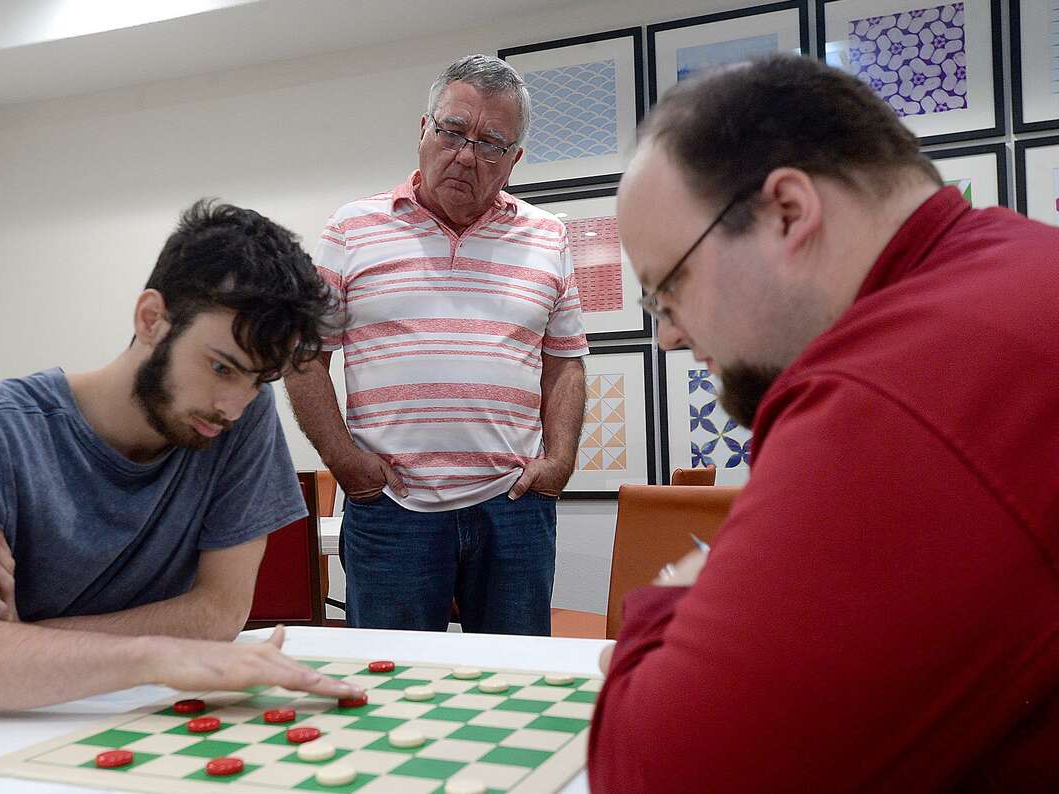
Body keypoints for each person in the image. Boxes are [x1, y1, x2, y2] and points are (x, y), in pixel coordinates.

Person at [589, 55, 1058, 791]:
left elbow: (655, 773)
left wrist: (682, 591)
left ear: (787, 212)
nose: (669, 336)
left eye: (668, 287)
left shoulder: (893, 392)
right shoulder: (1015, 268)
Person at [0, 200, 362, 723]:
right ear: (151, 319)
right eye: (221, 367)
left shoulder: (241, 418)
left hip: (79, 710)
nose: (233, 405)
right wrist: (158, 655)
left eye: (259, 380)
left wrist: (15, 641)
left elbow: (218, 613)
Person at [284, 54, 588, 634]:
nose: (466, 155)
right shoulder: (351, 228)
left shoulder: (548, 236)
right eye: (452, 131)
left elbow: (565, 362)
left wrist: (559, 463)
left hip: (513, 506)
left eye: (491, 143)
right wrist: (345, 463)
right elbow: (302, 360)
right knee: (389, 676)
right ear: (424, 129)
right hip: (391, 507)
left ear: (514, 160)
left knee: (516, 678)